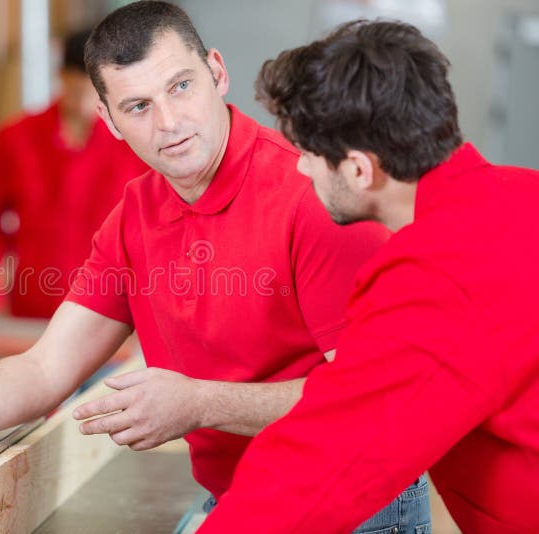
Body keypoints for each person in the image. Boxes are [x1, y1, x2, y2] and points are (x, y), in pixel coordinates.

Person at [0, 4, 420, 531]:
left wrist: (198, 403)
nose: (168, 123)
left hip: (352, 504)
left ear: (217, 72)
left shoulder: (312, 195)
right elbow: (42, 370)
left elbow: (376, 397)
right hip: (245, 498)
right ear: (110, 120)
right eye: (138, 106)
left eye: (181, 86)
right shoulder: (135, 216)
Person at [200, 19, 539, 534]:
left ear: (359, 169)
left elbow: (320, 469)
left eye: (310, 155)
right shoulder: (524, 193)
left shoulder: (433, 276)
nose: (301, 170)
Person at [0, 29, 147, 354]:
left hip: (113, 325)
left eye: (100, 95)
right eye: (78, 91)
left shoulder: (136, 145)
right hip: (28, 321)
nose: (88, 105)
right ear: (61, 76)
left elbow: (155, 235)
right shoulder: (15, 138)